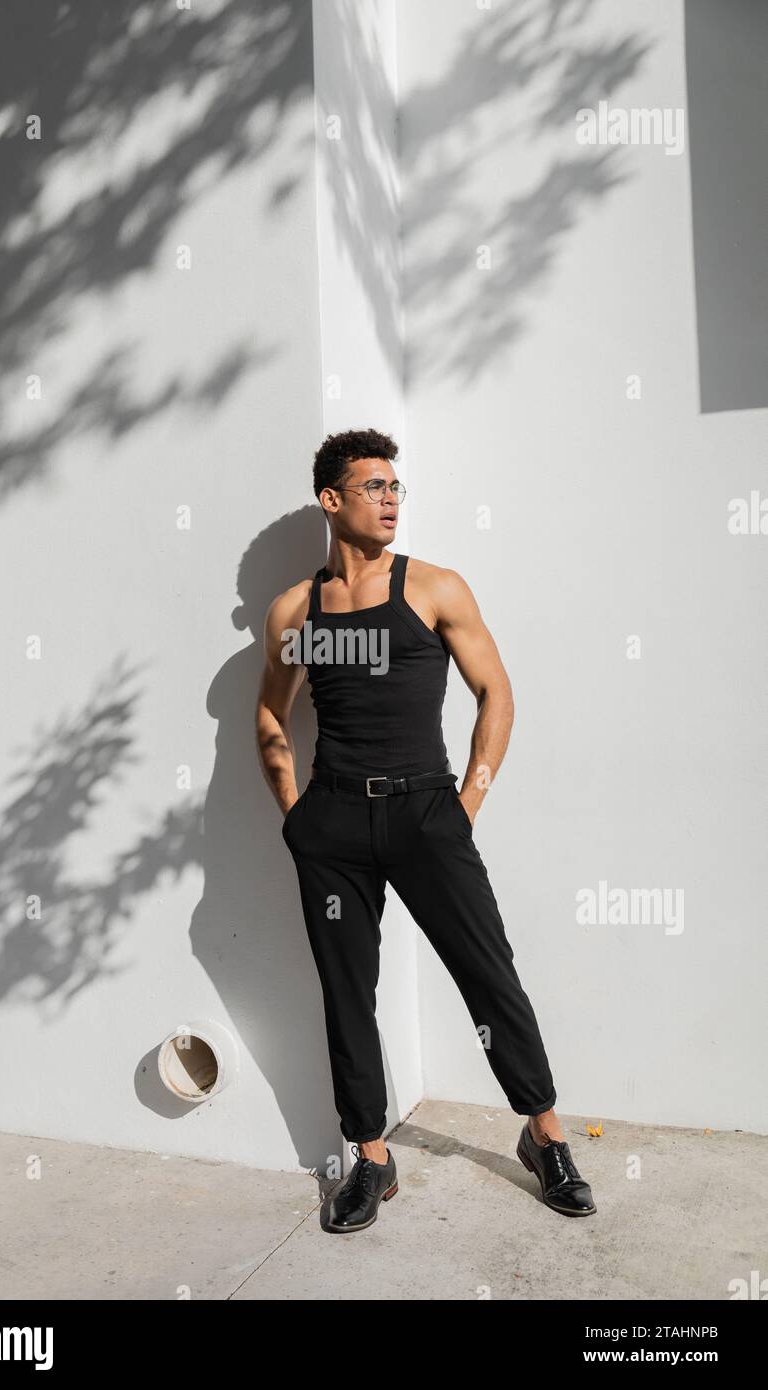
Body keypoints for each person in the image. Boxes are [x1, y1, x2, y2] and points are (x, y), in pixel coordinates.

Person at [256, 428, 595, 1232]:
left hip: (426, 813)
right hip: (333, 820)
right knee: (347, 992)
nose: (391, 500)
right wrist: (296, 814)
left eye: (396, 487)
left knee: (488, 974)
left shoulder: (434, 588)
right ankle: (370, 1156)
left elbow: (497, 694)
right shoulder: (295, 609)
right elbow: (272, 712)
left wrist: (466, 804)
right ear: (331, 500)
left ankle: (543, 1133)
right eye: (373, 487)